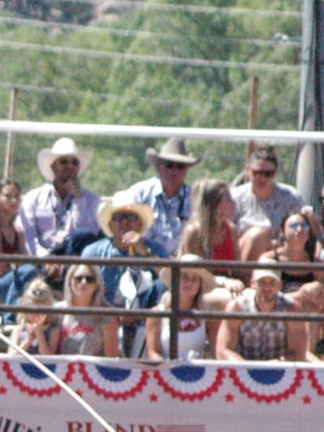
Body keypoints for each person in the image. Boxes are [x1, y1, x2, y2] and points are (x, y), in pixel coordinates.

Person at [81, 200, 170, 356]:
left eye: (131, 217)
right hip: (103, 319)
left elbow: (170, 280)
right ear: (110, 225)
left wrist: (144, 252)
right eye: (118, 217)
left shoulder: (154, 249)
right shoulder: (93, 252)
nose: (124, 222)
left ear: (140, 224)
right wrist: (114, 316)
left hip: (146, 321)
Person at [16, 136, 101, 256]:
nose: (70, 166)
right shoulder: (33, 198)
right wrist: (47, 260)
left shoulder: (92, 199)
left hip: (75, 260)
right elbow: (28, 237)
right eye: (64, 161)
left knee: (83, 234)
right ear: (53, 166)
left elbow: (89, 234)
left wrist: (79, 198)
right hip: (42, 258)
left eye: (75, 162)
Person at [116, 137, 199, 251]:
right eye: (169, 165)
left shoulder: (195, 200)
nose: (174, 172)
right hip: (144, 261)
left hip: (183, 264)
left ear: (186, 171)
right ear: (159, 167)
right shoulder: (139, 193)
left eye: (180, 166)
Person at [216, 268, 306, 362]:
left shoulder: (291, 310)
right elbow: (223, 350)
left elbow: (298, 354)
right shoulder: (237, 308)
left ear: (280, 285)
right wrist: (246, 367)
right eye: (262, 282)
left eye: (272, 282)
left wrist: (277, 364)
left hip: (281, 370)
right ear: (252, 284)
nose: (267, 287)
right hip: (243, 370)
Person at [229, 146, 303, 258]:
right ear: (247, 170)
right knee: (258, 235)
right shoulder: (235, 197)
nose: (262, 178)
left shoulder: (291, 197)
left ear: (276, 172)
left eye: (268, 174)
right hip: (241, 257)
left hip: (281, 256)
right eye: (257, 173)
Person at [146, 256, 224, 362]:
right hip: (164, 373)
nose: (189, 282)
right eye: (185, 277)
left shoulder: (208, 317)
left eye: (194, 279)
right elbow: (152, 353)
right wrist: (169, 371)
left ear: (199, 285)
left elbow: (218, 353)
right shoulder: (156, 314)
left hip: (197, 375)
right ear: (175, 279)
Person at [177, 179, 238, 264]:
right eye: (228, 199)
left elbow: (237, 267)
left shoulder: (231, 230)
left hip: (227, 277)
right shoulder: (194, 233)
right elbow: (193, 272)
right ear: (215, 204)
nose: (233, 203)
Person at [10, 277, 65, 355]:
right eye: (33, 311)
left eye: (41, 311)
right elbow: (11, 357)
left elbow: (48, 358)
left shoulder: (54, 331)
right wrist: (29, 340)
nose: (37, 315)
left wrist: (39, 334)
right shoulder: (18, 330)